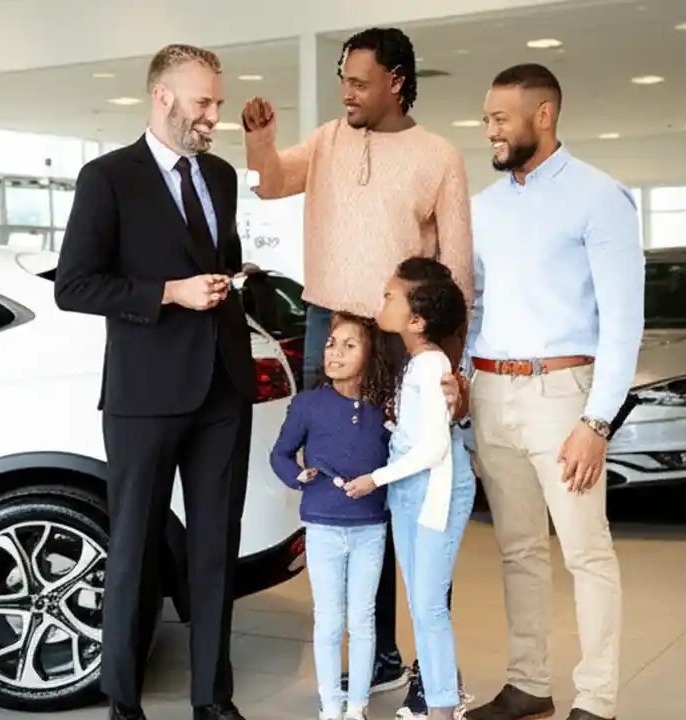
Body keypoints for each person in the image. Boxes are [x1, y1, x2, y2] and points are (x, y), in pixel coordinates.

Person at [242, 27, 475, 715]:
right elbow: (272, 181)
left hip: (405, 336)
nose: (347, 91)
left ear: (397, 80)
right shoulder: (326, 140)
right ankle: (377, 657)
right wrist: (259, 137)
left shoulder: (438, 156)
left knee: (417, 494)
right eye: (343, 77)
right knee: (352, 491)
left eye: (360, 81)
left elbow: (456, 274)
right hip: (331, 329)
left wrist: (449, 368)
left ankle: (434, 673)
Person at [53, 43, 255, 720]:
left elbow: (217, 261)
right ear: (162, 97)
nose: (213, 116)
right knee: (135, 553)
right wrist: (170, 291)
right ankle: (123, 703)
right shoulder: (107, 178)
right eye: (204, 103)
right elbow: (75, 286)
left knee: (215, 554)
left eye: (218, 103)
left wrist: (226, 285)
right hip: (144, 395)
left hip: (223, 389)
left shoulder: (221, 176)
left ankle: (212, 700)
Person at [464, 63, 644, 720]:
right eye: (486, 119)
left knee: (585, 552)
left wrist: (597, 421)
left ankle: (595, 699)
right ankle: (529, 683)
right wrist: (460, 377)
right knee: (516, 548)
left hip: (564, 395)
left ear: (544, 116)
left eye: (500, 118)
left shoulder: (601, 198)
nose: (489, 130)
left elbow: (624, 321)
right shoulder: (481, 208)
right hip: (491, 391)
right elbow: (476, 306)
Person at [344, 258, 476, 720]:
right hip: (410, 491)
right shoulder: (418, 362)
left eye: (389, 297)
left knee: (429, 607)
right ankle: (441, 702)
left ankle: (442, 707)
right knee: (423, 607)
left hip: (433, 489)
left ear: (416, 321)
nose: (381, 302)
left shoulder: (431, 365)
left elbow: (434, 450)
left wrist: (373, 479)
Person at [270, 312, 397, 720]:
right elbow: (280, 453)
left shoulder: (384, 407)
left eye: (349, 345)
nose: (335, 353)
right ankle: (330, 707)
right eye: (330, 344)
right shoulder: (308, 405)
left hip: (370, 527)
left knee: (362, 619)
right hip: (322, 525)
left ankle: (357, 706)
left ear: (370, 354)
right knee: (328, 620)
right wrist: (297, 475)